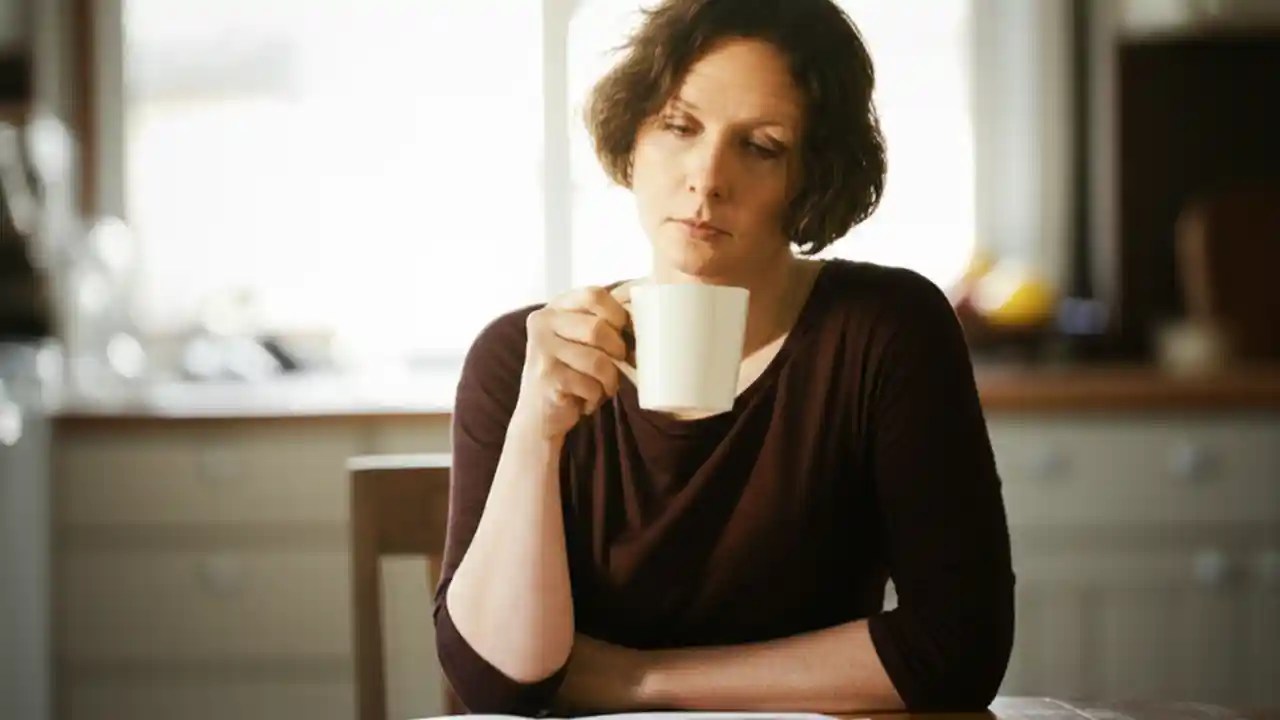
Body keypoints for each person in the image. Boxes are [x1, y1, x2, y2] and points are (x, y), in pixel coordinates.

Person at [433, 0, 1015, 714]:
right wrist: (537, 433)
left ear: (811, 175)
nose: (706, 179)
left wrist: (638, 682)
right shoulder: (521, 355)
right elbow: (499, 684)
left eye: (761, 145)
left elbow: (958, 646)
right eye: (679, 127)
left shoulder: (885, 330)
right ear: (634, 138)